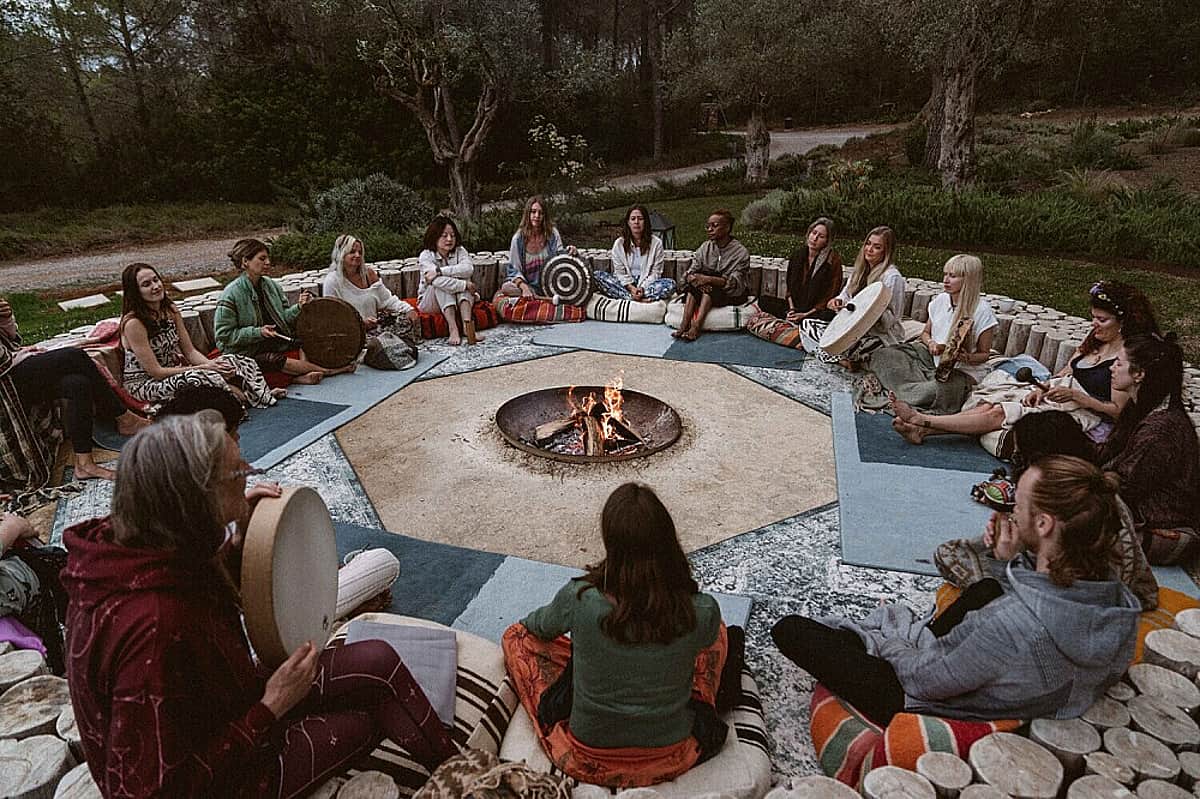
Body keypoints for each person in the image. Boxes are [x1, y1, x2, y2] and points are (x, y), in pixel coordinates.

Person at [63, 412, 457, 798]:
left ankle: (463, 770)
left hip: (223, 706)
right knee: (363, 721)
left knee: (379, 660)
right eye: (238, 473)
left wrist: (239, 534)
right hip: (227, 778)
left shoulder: (136, 542)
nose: (250, 474)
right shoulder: (155, 629)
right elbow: (148, 791)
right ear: (197, 499)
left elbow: (193, 582)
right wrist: (272, 706)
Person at [772, 454, 1141, 726]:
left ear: (1044, 524)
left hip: (930, 698)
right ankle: (920, 639)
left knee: (791, 630)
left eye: (1019, 504)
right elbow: (1038, 599)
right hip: (1032, 676)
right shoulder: (1117, 597)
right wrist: (1007, 559)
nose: (1012, 511)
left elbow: (920, 680)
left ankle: (890, 641)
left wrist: (894, 644)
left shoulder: (1009, 624)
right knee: (985, 588)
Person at [502, 482, 738, 788]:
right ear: (667, 540)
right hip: (671, 753)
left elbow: (537, 627)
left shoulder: (580, 598)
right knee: (717, 633)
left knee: (517, 636)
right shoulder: (700, 609)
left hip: (587, 754)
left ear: (610, 542)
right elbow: (706, 640)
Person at [156, 384, 404, 616]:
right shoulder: (186, 516)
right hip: (258, 621)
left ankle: (330, 601)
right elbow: (229, 595)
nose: (239, 442)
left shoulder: (173, 489)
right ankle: (330, 612)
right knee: (382, 562)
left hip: (260, 598)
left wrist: (243, 526)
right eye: (234, 434)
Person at [891, 280, 1159, 450]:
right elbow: (1065, 372)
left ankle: (922, 419)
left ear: (1122, 321)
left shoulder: (1125, 358)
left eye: (1102, 320)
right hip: (1061, 396)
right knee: (989, 405)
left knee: (999, 414)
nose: (1094, 325)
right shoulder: (1095, 341)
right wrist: (1043, 389)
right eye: (1093, 318)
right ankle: (922, 430)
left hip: (1085, 412)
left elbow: (1118, 412)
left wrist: (1077, 397)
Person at [935, 410, 1158, 612]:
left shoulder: (1062, 511)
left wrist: (1006, 559)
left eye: (1019, 458)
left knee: (956, 559)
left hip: (1074, 601)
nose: (1015, 464)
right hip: (1109, 592)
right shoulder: (1099, 490)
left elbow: (1049, 597)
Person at [0, 296, 149, 484]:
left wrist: (6, 319)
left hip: (13, 367)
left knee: (77, 383)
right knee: (74, 357)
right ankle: (125, 418)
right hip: (5, 384)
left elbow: (11, 339)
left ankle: (84, 464)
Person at [119, 263, 281, 408]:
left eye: (156, 280)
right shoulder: (134, 323)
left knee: (237, 361)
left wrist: (214, 365)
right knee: (200, 376)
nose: (155, 286)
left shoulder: (170, 310)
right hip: (147, 384)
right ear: (135, 292)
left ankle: (261, 395)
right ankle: (246, 400)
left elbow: (190, 351)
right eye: (146, 284)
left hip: (174, 372)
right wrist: (205, 368)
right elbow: (156, 372)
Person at [1099, 333, 1200, 565]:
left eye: (1119, 363)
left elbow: (1126, 485)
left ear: (1139, 374)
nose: (1111, 368)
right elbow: (1109, 453)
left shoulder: (1161, 430)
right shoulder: (1142, 406)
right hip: (1136, 505)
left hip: (1161, 524)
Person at [856, 255, 996, 415]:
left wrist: (965, 357)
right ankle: (908, 390)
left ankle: (905, 391)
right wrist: (930, 343)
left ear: (968, 280)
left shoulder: (982, 311)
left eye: (952, 276)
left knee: (937, 390)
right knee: (883, 355)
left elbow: (984, 354)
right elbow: (925, 333)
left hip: (959, 371)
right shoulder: (941, 300)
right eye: (945, 274)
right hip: (929, 357)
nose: (946, 280)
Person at [214, 238, 355, 386]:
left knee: (306, 338)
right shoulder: (231, 294)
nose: (268, 262)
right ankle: (331, 371)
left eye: (268, 258)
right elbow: (224, 335)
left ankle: (302, 375)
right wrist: (258, 332)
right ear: (245, 262)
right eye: (262, 258)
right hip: (248, 350)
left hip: (276, 341)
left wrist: (299, 307)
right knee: (274, 360)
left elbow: (283, 318)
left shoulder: (271, 286)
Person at [799, 225, 906, 365]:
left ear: (886, 252)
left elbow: (894, 317)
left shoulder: (892, 277)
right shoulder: (859, 271)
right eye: (868, 244)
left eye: (877, 247)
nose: (869, 249)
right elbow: (845, 295)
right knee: (807, 324)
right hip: (849, 329)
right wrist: (837, 302)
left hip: (877, 336)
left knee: (855, 347)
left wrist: (869, 312)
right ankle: (839, 358)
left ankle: (835, 355)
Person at [672, 209, 750, 342]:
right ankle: (684, 324)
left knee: (710, 289)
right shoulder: (705, 247)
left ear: (727, 228)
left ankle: (696, 326)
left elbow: (733, 284)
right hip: (702, 288)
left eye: (714, 226)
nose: (709, 229)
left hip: (729, 293)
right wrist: (694, 280)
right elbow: (691, 271)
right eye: (708, 226)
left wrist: (708, 279)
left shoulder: (740, 253)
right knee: (693, 288)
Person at [321, 234, 419, 333]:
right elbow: (332, 318)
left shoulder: (369, 274)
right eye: (352, 252)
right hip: (348, 337)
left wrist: (408, 309)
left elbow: (388, 300)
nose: (357, 255)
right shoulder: (332, 281)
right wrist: (360, 324)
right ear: (341, 254)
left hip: (375, 332)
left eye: (360, 252)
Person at [756, 217, 842, 322]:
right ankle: (791, 316)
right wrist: (792, 309)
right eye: (814, 233)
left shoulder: (832, 260)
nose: (814, 238)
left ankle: (801, 319)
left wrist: (805, 314)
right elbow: (789, 288)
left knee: (828, 315)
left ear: (827, 241)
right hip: (795, 305)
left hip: (815, 309)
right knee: (764, 300)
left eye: (821, 236)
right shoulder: (798, 255)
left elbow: (830, 294)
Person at [418, 216, 484, 345]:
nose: (449, 239)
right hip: (430, 301)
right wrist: (464, 285)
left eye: (452, 235)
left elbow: (468, 269)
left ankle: (467, 326)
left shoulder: (460, 251)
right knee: (443, 285)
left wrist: (440, 271)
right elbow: (435, 281)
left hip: (457, 297)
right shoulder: (426, 256)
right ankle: (453, 328)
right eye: (444, 236)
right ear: (435, 237)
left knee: (462, 277)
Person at [594, 205, 676, 302]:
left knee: (670, 284)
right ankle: (636, 298)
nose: (636, 222)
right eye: (633, 219)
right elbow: (620, 272)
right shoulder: (619, 244)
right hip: (625, 285)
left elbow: (655, 273)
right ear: (628, 222)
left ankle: (632, 298)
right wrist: (631, 288)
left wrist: (642, 288)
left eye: (640, 219)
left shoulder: (656, 243)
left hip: (647, 284)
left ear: (645, 222)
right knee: (597, 276)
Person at [500, 196, 576, 298]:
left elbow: (559, 258)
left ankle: (542, 297)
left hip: (551, 285)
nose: (537, 216)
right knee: (506, 287)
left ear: (545, 216)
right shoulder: (518, 239)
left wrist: (569, 250)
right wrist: (525, 288)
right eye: (533, 212)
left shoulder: (552, 234)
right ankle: (534, 296)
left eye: (541, 213)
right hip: (529, 286)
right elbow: (514, 270)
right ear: (528, 214)